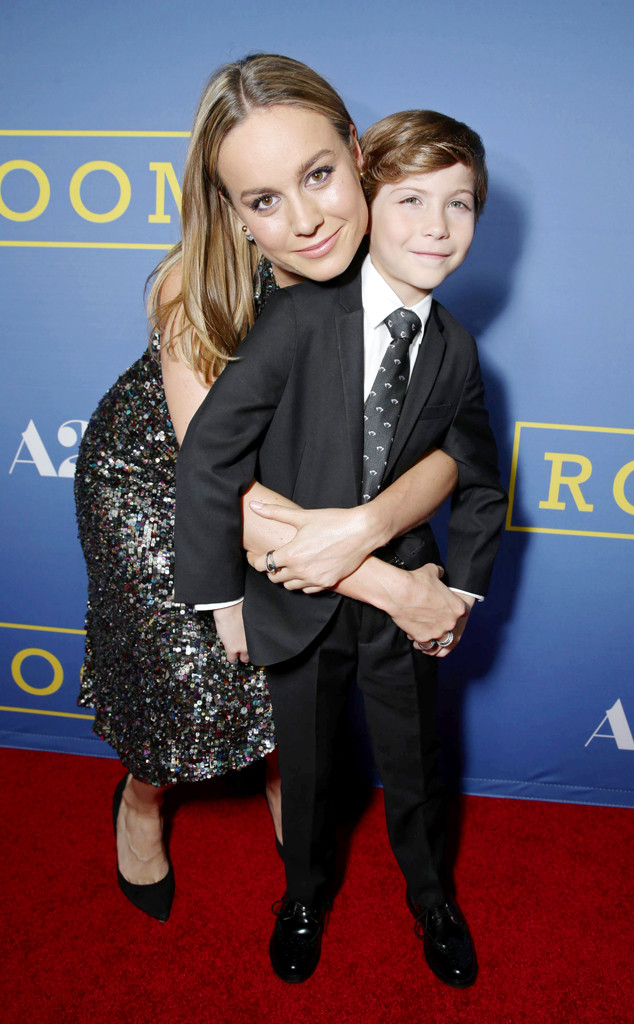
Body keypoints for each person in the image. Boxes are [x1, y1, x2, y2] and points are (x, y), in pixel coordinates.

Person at [75, 57, 465, 924]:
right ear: (231, 209)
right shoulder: (196, 284)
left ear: (355, 150)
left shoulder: (400, 256)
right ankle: (142, 797)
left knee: (294, 665)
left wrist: (365, 525)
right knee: (182, 689)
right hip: (160, 491)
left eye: (318, 175)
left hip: (302, 492)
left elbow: (446, 451)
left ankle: (289, 781)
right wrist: (396, 588)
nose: (305, 221)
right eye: (263, 200)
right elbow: (226, 493)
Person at [174, 109, 508, 985]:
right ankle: (302, 897)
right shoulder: (297, 318)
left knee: (416, 764)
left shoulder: (458, 350)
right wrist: (222, 601)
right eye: (410, 201)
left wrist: (462, 594)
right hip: (297, 599)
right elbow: (208, 455)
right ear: (366, 198)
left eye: (460, 205)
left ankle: (432, 897)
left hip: (405, 592)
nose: (436, 227)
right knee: (312, 771)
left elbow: (478, 478)